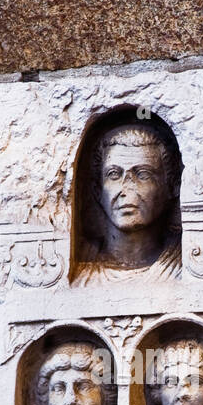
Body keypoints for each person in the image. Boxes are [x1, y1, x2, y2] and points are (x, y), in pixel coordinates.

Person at [73, 122, 182, 285]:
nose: (126, 188)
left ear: (172, 186)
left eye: (143, 175)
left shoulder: (186, 267)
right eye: (114, 174)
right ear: (97, 190)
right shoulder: (81, 276)